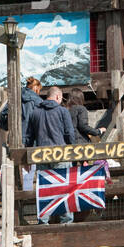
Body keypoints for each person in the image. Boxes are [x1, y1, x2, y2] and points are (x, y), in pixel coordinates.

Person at [26, 86, 80, 224]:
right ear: (57, 97)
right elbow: (69, 134)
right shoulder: (62, 111)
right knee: (65, 189)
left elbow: (29, 138)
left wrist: (27, 159)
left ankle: (43, 222)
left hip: (41, 157)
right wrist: (73, 153)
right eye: (61, 98)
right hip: (61, 155)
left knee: (45, 191)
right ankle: (66, 222)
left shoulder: (35, 113)